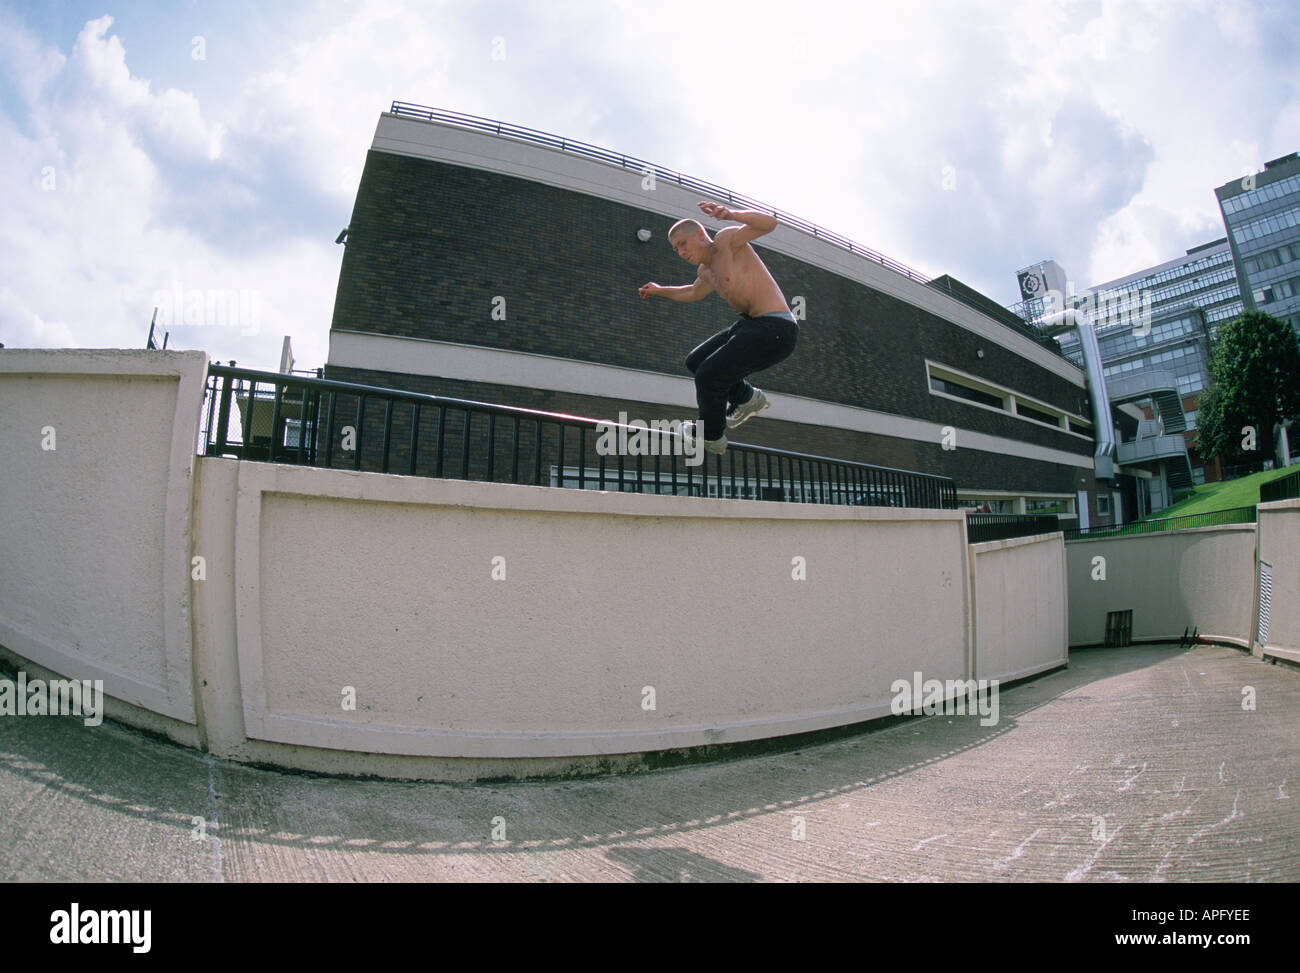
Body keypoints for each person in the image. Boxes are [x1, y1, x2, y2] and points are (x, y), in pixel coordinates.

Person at [638, 201, 798, 455]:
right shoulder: (705, 271)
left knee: (708, 376)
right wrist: (660, 290)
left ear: (701, 235)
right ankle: (746, 398)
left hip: (775, 328)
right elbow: (692, 292)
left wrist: (732, 214)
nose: (680, 252)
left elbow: (769, 224)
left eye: (683, 244)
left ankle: (711, 436)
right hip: (751, 325)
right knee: (696, 361)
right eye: (675, 249)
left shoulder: (727, 241)